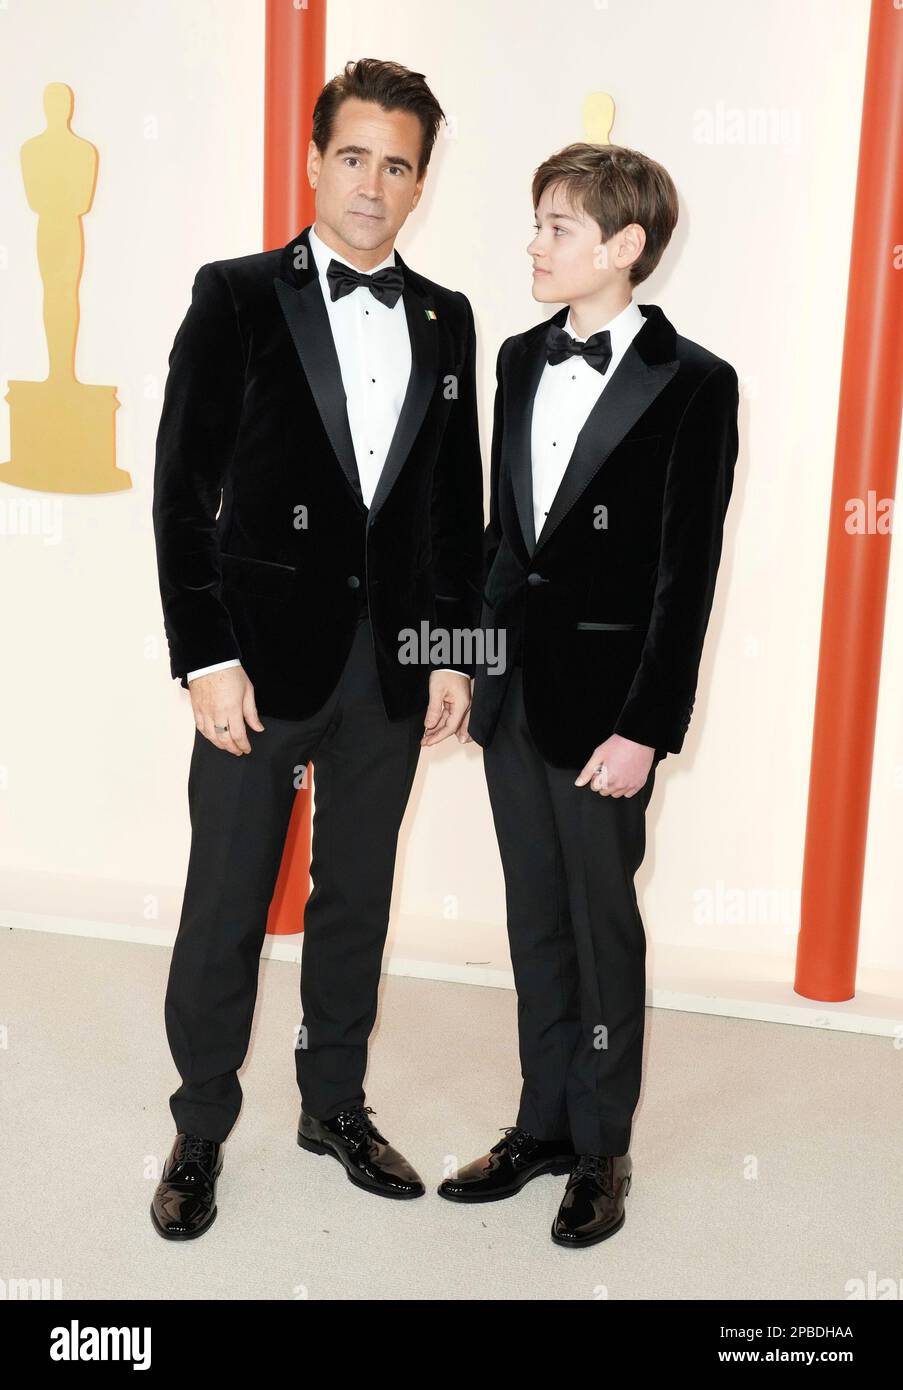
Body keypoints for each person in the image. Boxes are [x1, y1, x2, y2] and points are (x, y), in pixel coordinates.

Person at [150, 58, 483, 1239]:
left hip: (389, 669)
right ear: (314, 161)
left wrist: (452, 652)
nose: (372, 183)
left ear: (420, 183)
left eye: (398, 165)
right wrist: (205, 657)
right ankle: (199, 1125)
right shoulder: (235, 294)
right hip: (255, 661)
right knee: (228, 895)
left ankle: (333, 1103)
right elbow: (183, 493)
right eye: (354, 156)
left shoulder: (447, 318)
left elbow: (455, 507)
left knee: (359, 894)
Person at [447, 143, 740, 1248]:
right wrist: (474, 667)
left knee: (601, 925)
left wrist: (646, 730)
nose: (536, 242)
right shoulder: (519, 357)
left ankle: (603, 1145)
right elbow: (501, 541)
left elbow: (688, 572)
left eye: (559, 226)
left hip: (609, 714)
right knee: (534, 921)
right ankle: (542, 1123)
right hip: (516, 698)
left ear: (625, 248)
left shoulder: (698, 383)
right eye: (536, 221)